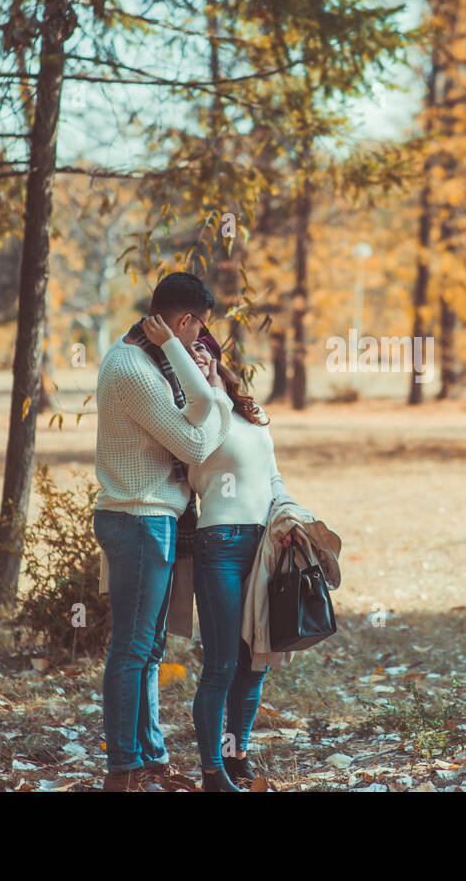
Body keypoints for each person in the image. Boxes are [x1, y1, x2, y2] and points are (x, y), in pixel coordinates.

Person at [142, 323, 297, 791]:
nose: (201, 359)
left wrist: (288, 515)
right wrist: (207, 389)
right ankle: (212, 771)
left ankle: (236, 755)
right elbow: (209, 435)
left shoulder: (253, 415)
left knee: (256, 662)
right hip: (220, 546)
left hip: (264, 545)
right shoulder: (195, 418)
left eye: (205, 352)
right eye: (189, 357)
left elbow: (272, 477)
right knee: (223, 663)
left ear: (218, 357)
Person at [92, 272, 231, 792]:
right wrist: (216, 394)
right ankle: (123, 769)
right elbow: (197, 446)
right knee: (131, 648)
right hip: (139, 520)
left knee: (148, 649)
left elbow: (185, 423)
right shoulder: (134, 370)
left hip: (151, 518)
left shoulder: (148, 359)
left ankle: (149, 755)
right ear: (184, 321)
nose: (201, 340)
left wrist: (196, 379)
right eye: (200, 329)